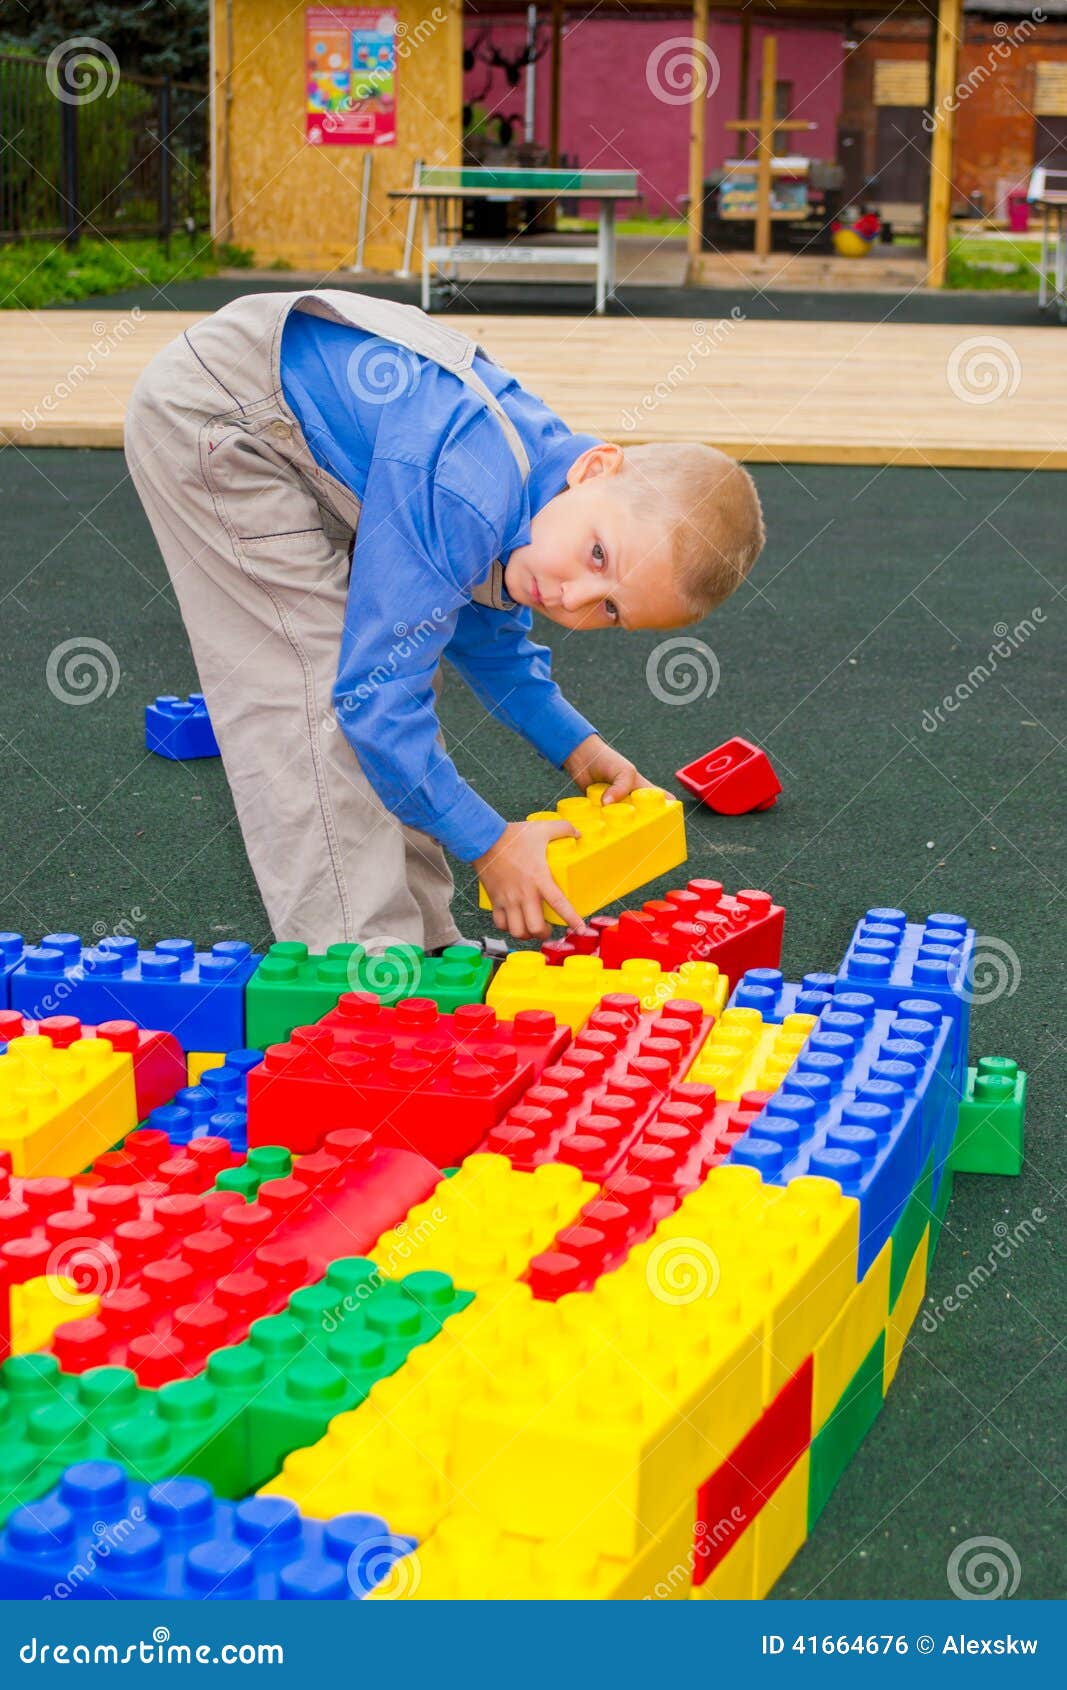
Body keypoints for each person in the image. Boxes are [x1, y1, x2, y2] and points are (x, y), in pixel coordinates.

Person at [125, 290, 765, 949]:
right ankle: (360, 967)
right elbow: (373, 703)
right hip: (222, 419)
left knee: (398, 669)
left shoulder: (549, 502)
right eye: (597, 555)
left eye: (610, 608)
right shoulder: (470, 486)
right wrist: (491, 846)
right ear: (594, 467)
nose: (572, 598)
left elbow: (490, 643)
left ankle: (424, 942)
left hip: (306, 433)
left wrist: (577, 747)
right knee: (315, 694)